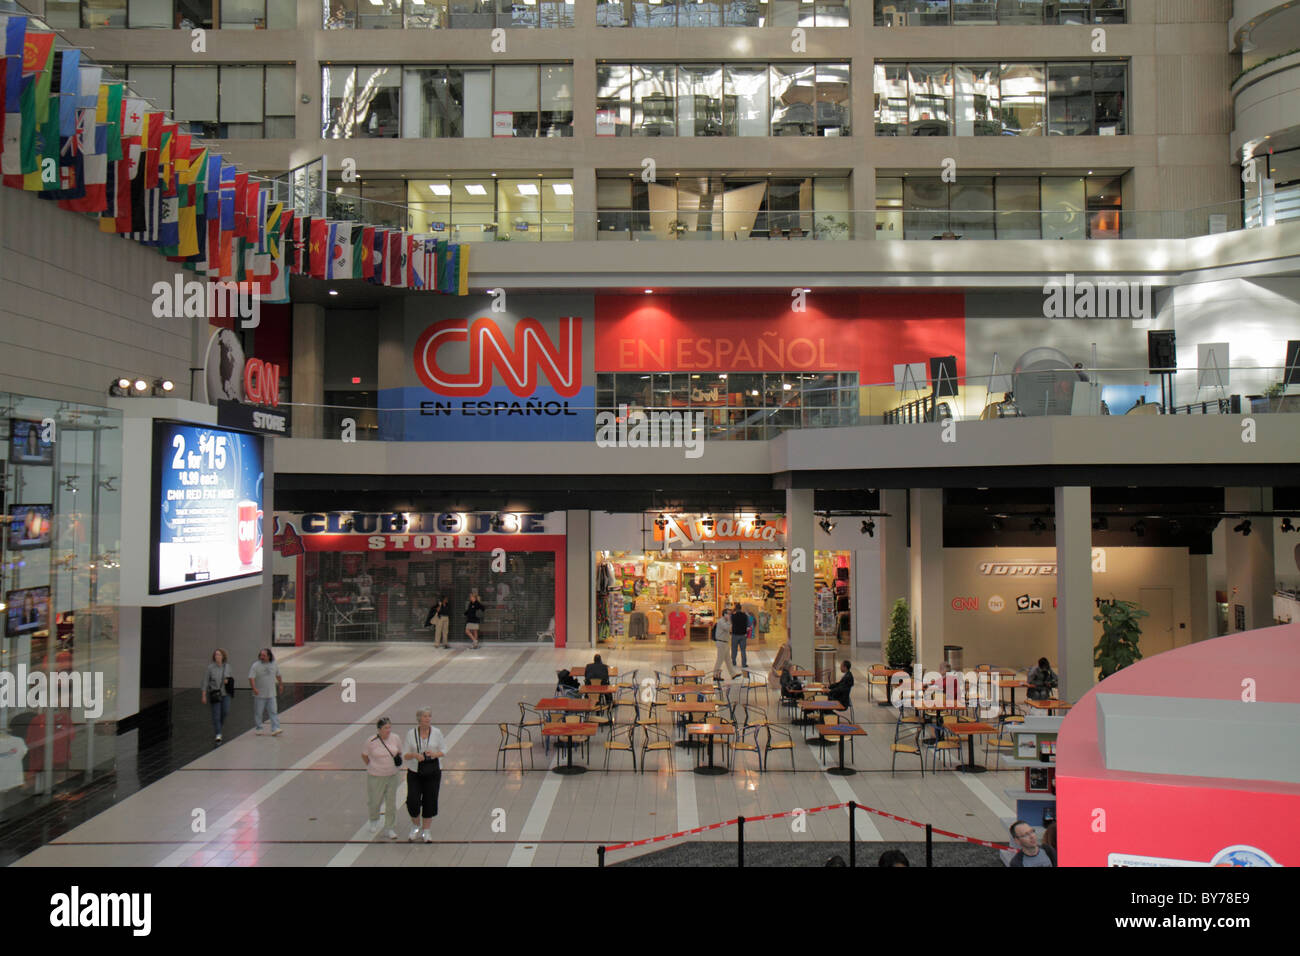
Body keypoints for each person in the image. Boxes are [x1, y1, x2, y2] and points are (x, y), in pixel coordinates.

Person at [402, 707, 446, 843]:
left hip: (432, 771)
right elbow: (406, 754)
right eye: (425, 716)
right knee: (412, 801)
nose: (427, 719)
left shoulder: (437, 732)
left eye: (429, 716)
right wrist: (415, 755)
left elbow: (443, 750)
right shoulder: (411, 734)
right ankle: (416, 826)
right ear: (419, 719)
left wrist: (434, 754)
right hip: (415, 772)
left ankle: (426, 830)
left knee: (430, 800)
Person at [361, 717, 402, 840]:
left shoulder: (395, 738)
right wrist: (372, 766)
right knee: (375, 800)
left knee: (391, 802)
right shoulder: (371, 741)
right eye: (385, 728)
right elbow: (364, 755)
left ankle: (389, 827)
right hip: (376, 776)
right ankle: (374, 820)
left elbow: (399, 752)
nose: (388, 730)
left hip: (392, 775)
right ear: (379, 729)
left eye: (389, 727)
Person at [200, 648, 234, 744]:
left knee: (225, 712)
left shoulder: (227, 666)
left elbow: (231, 678)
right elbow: (205, 681)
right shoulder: (210, 668)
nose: (217, 656)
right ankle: (218, 733)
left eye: (219, 655)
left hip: (225, 693)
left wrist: (228, 680)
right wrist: (203, 695)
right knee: (216, 714)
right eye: (216, 655)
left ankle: (219, 725)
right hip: (215, 693)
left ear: (223, 656)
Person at [248, 647, 284, 736]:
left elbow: (278, 675)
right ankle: (259, 727)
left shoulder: (274, 664)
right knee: (258, 712)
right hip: (260, 694)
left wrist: (280, 684)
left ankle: (275, 728)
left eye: (264, 655)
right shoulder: (255, 665)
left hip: (271, 694)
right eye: (261, 655)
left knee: (273, 711)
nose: (262, 657)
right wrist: (254, 688)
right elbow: (251, 677)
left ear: (269, 656)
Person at [712, 615, 739, 681]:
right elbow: (728, 628)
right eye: (728, 614)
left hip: (725, 643)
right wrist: (729, 621)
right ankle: (715, 675)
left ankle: (733, 674)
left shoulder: (725, 621)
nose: (730, 616)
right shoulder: (721, 621)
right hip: (721, 643)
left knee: (728, 660)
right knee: (720, 660)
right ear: (725, 615)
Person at [730, 602, 749, 669]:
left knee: (734, 649)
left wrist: (733, 610)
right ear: (741, 608)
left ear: (735, 608)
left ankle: (733, 662)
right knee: (743, 650)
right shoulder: (745, 615)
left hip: (735, 634)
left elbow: (731, 621)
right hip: (743, 635)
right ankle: (744, 664)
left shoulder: (733, 616)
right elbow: (748, 624)